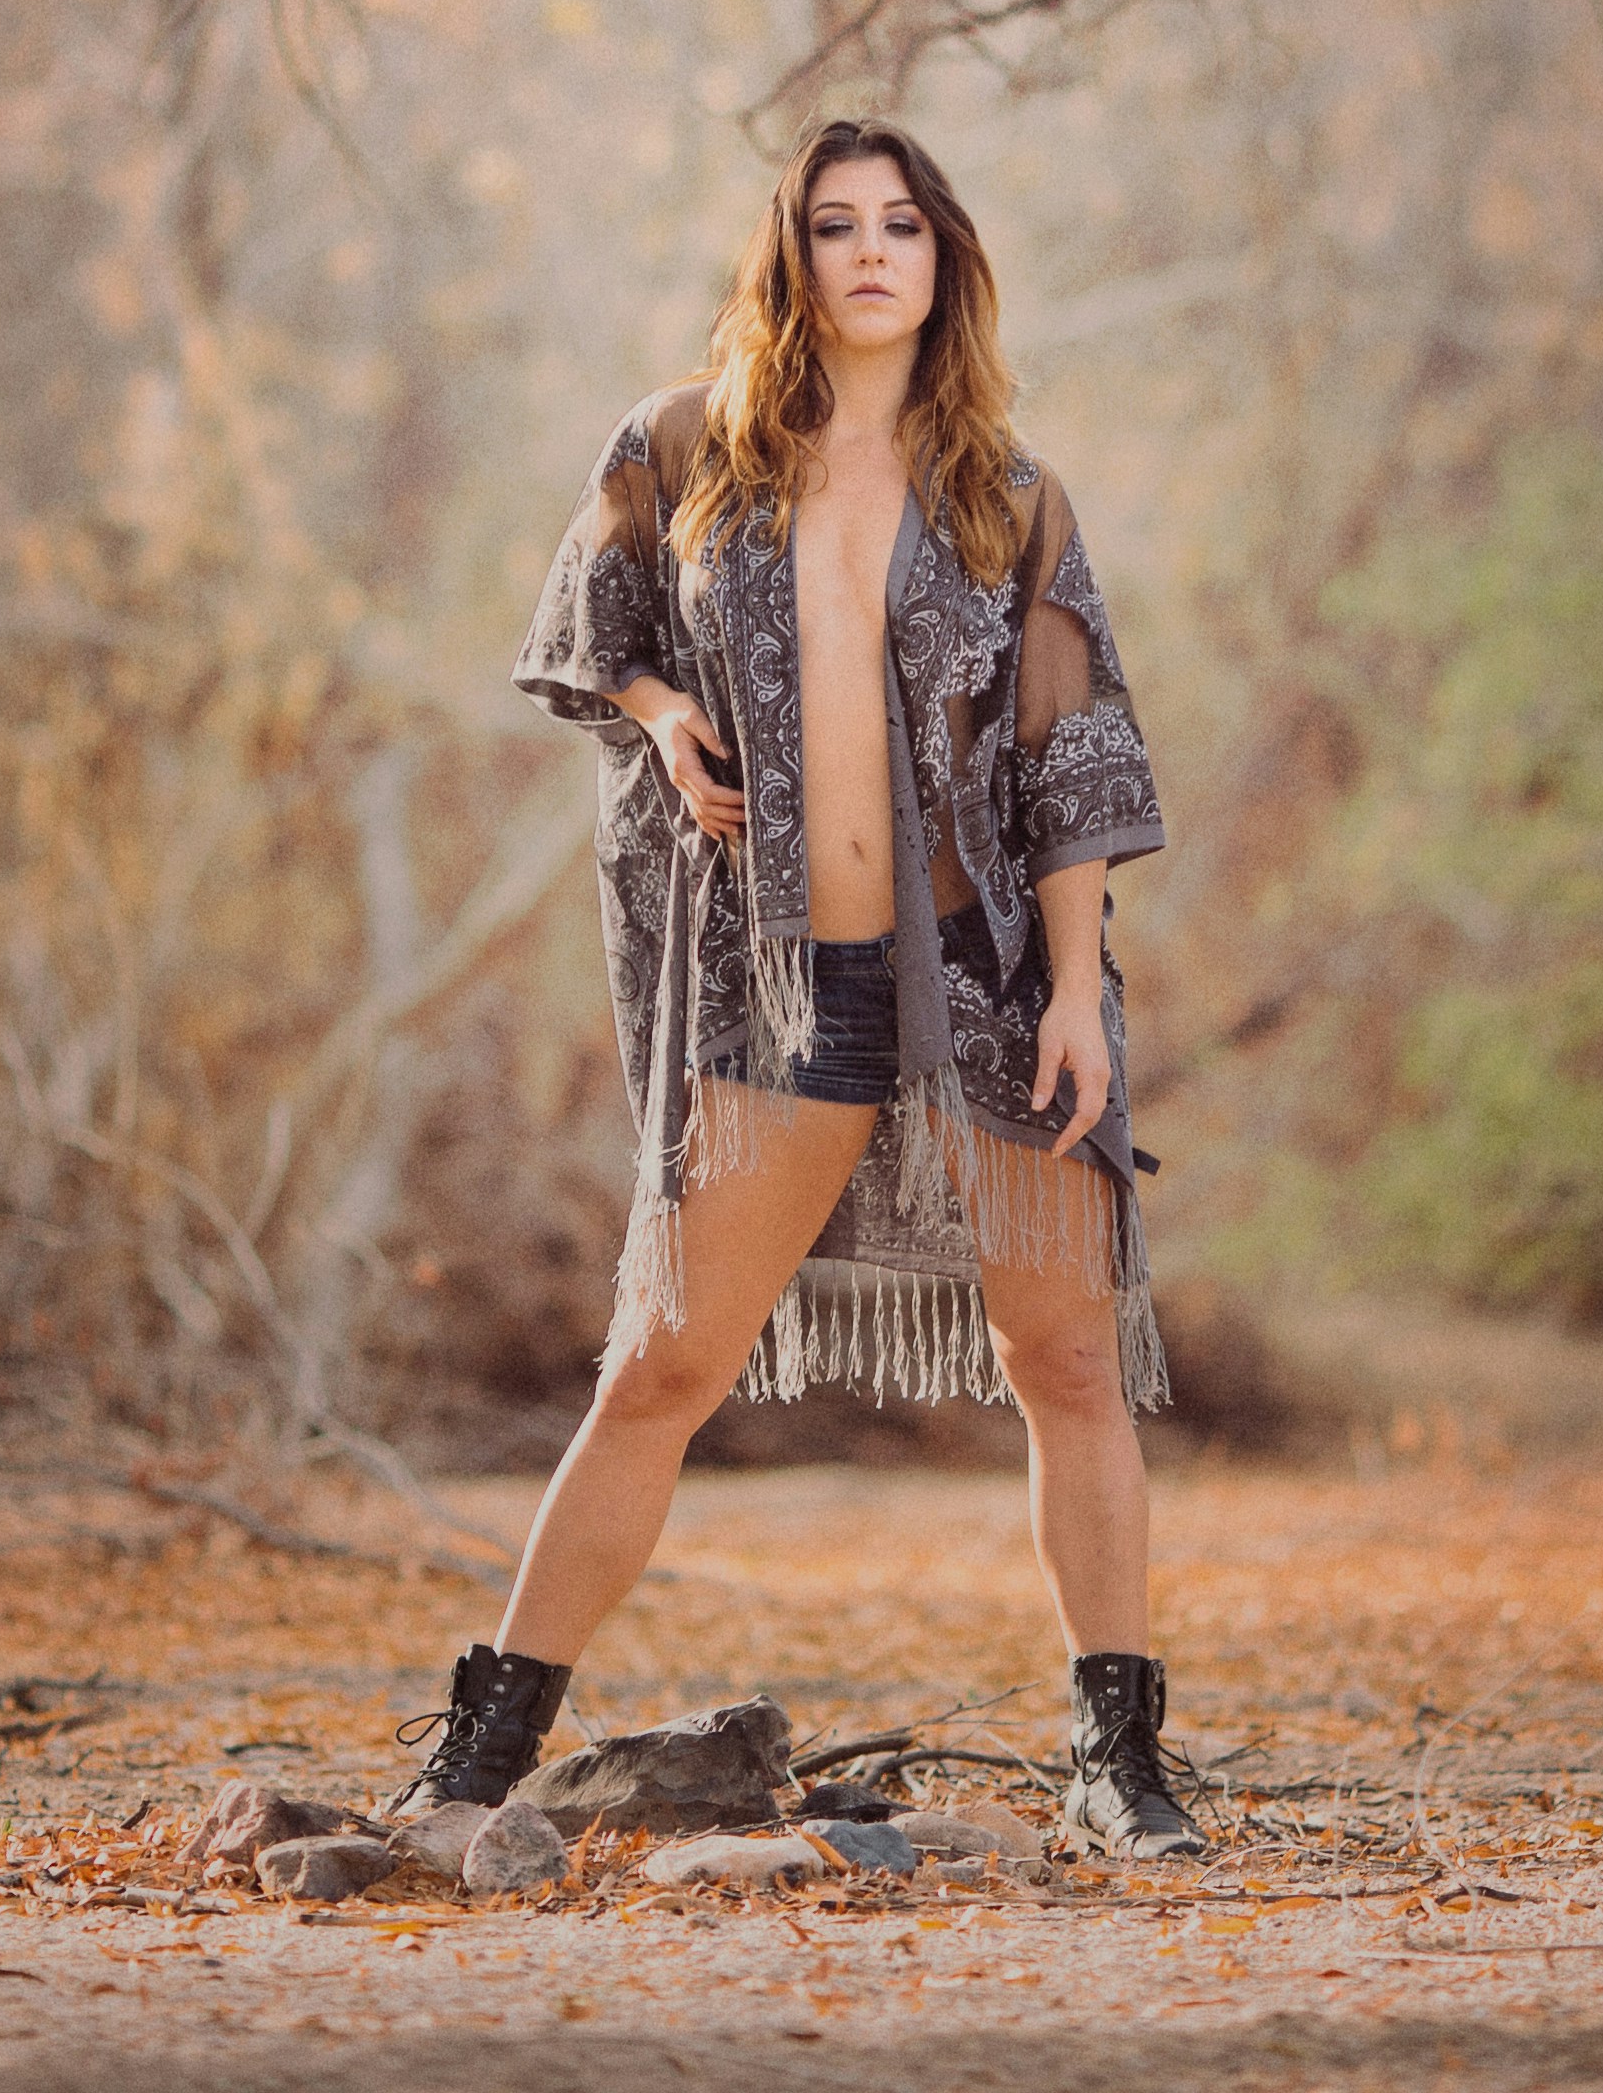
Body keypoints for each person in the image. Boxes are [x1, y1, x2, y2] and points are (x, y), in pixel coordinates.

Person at [395, 116, 1200, 1857]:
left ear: (944, 257)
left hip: (990, 983)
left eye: (900, 224)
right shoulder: (684, 451)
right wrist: (666, 717)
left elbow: (1072, 763)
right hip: (779, 984)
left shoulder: (1008, 496)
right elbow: (589, 636)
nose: (868, 253)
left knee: (1065, 1359)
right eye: (833, 225)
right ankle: (479, 1749)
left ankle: (1120, 1763)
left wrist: (1075, 991)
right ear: (793, 256)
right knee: (665, 1361)